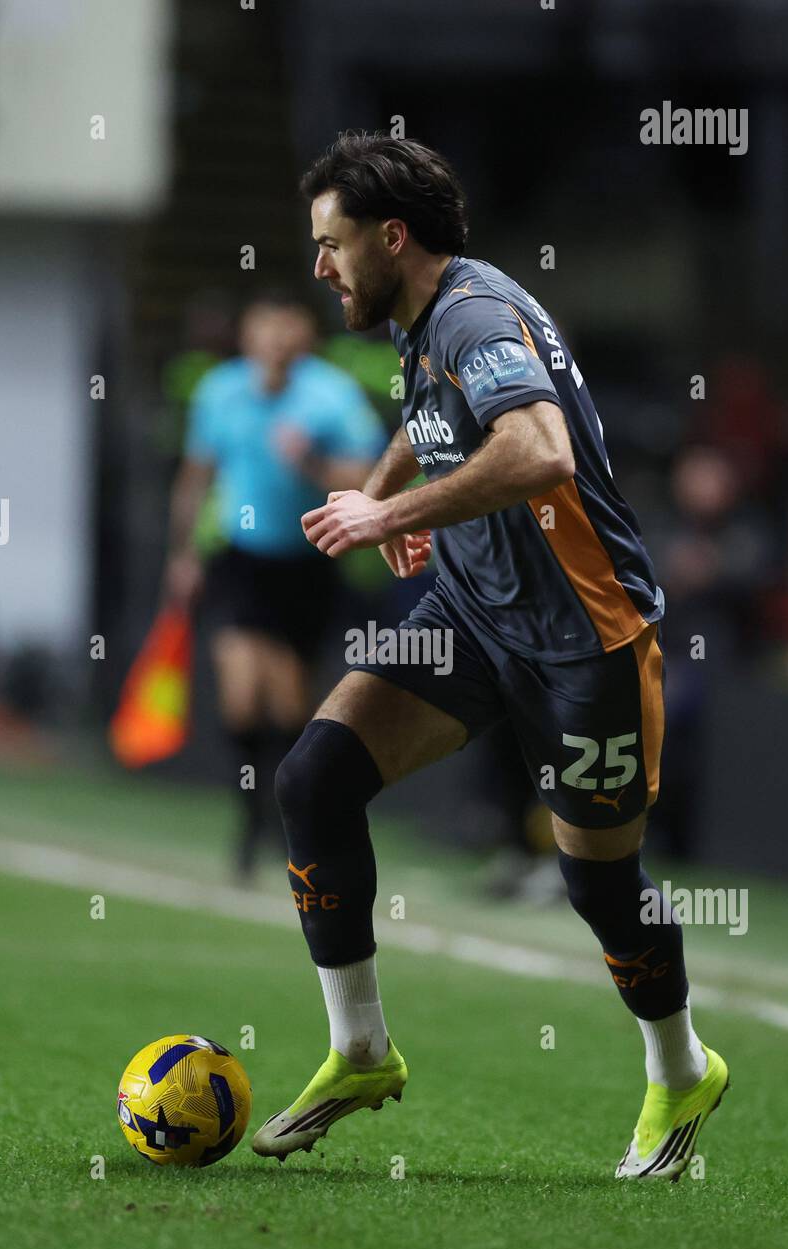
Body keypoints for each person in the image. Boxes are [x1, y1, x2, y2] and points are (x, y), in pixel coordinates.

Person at [251, 135, 729, 1182]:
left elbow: (537, 451)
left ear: (391, 235)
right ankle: (360, 1050)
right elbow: (428, 422)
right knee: (314, 778)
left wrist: (398, 507)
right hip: (471, 612)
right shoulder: (422, 323)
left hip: (581, 638)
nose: (320, 267)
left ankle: (679, 1065)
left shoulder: (470, 313)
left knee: (597, 887)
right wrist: (384, 498)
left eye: (332, 246)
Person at [164, 292, 385, 876]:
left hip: (306, 560)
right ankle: (246, 827)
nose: (277, 342)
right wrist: (182, 553)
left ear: (305, 337)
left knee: (287, 697)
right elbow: (196, 474)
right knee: (239, 692)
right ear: (248, 336)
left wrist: (310, 461)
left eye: (288, 330)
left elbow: (368, 477)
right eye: (266, 329)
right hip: (240, 557)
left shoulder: (330, 395)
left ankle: (294, 820)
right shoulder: (220, 391)